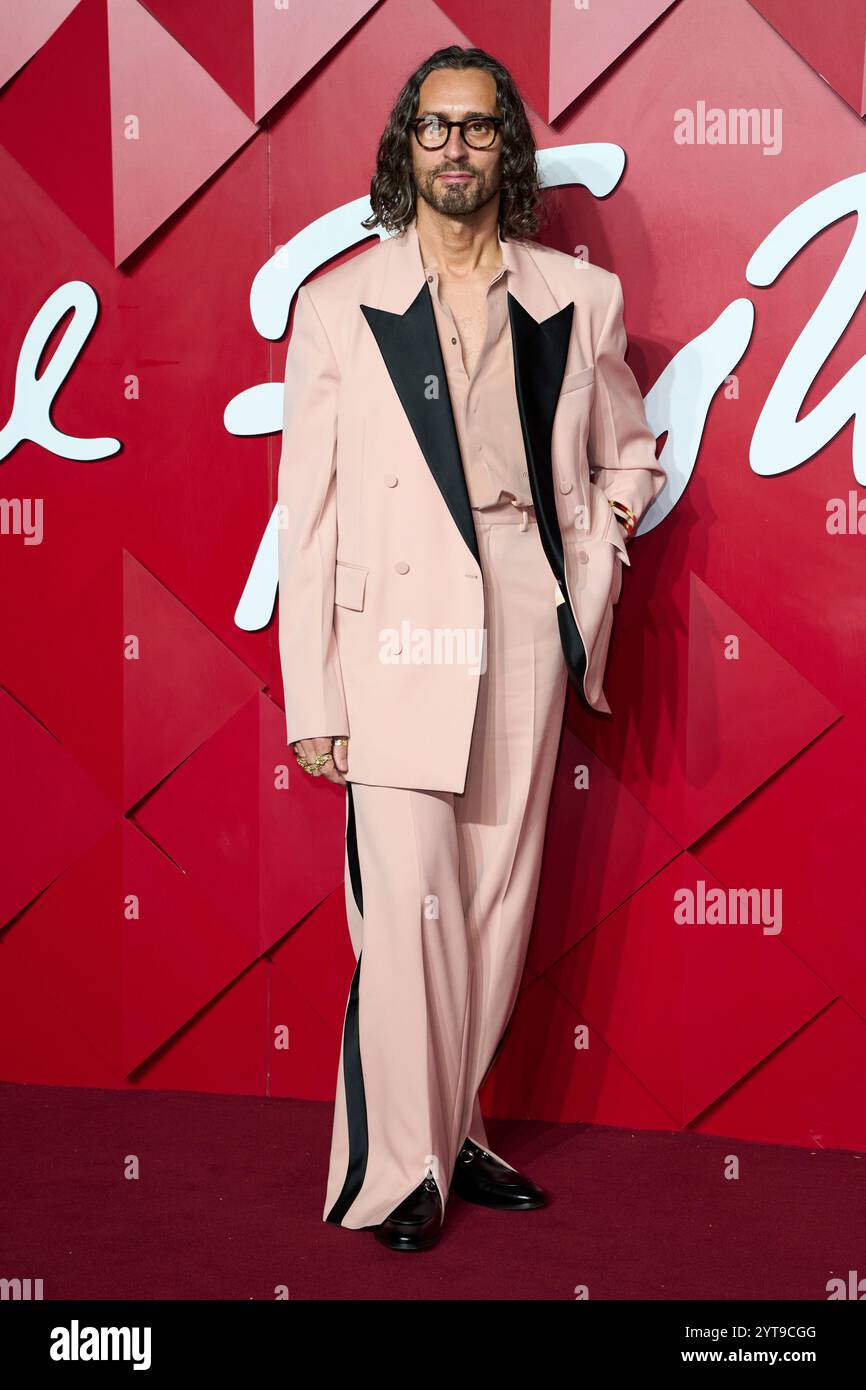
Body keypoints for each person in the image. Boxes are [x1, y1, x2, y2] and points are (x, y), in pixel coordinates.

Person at [277, 44, 666, 1252]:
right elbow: (311, 514)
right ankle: (394, 1171)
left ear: (508, 151)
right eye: (434, 128)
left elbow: (628, 453)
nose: (456, 147)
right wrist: (314, 694)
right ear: (407, 149)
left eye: (479, 127)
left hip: (519, 607)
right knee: (405, 908)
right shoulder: (339, 306)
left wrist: (589, 554)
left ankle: (455, 1134)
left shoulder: (573, 297)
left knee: (495, 900)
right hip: (391, 622)